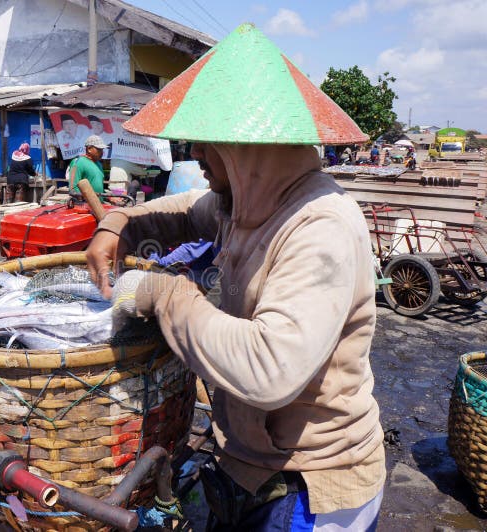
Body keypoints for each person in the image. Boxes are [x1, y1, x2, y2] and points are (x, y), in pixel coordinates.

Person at [87, 23, 384, 530]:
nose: (194, 156)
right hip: (250, 463)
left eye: (204, 144)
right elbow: (182, 210)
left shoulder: (319, 225)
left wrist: (163, 293)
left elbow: (271, 370)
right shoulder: (241, 203)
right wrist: (117, 223)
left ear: (245, 147)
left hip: (309, 484)